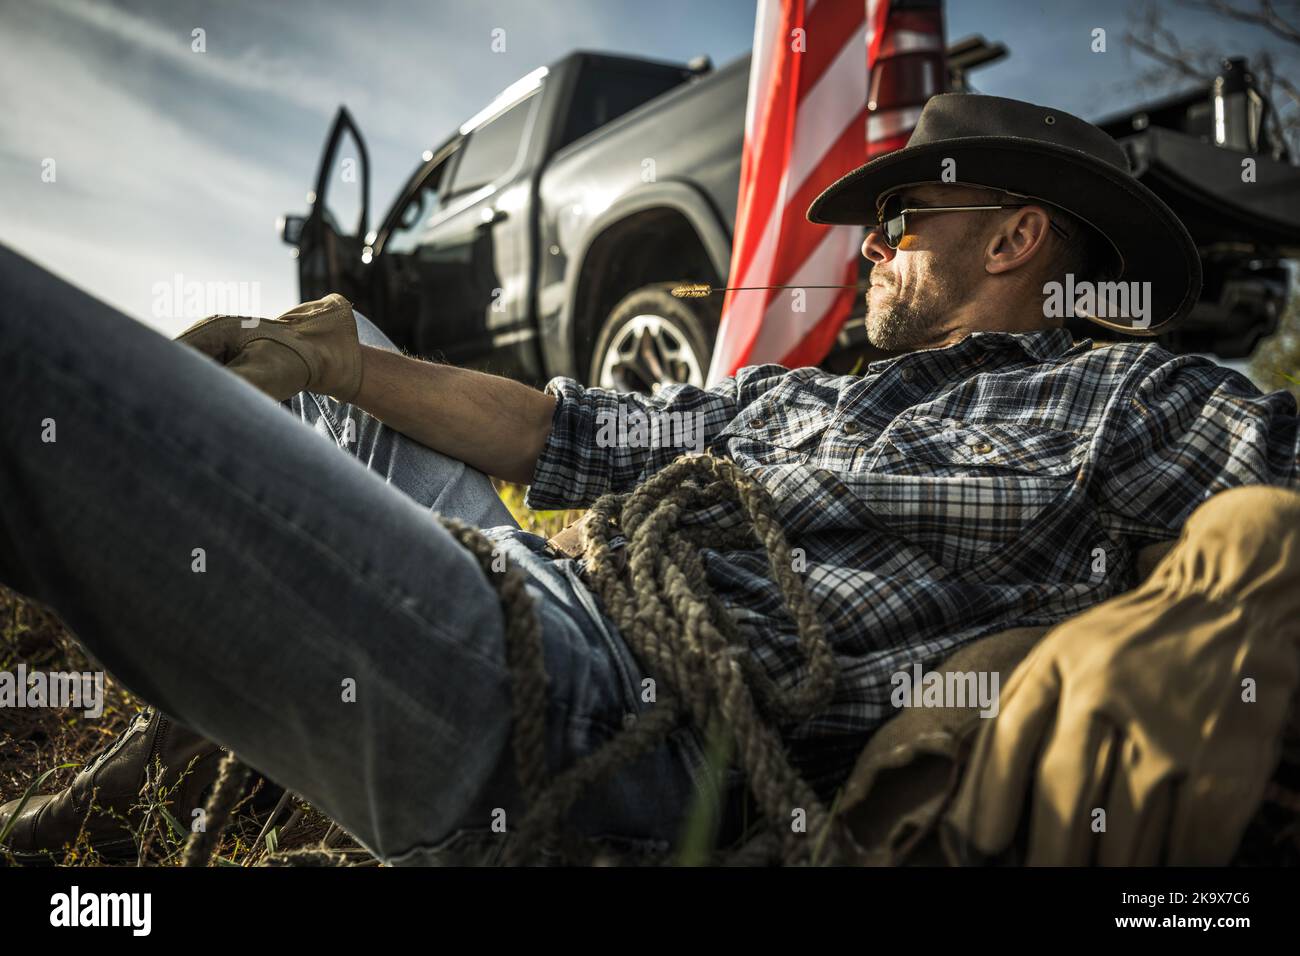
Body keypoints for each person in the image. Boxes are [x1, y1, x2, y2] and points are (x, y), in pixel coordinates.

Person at [2, 93, 1297, 866]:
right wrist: (337, 365)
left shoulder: (1132, 396)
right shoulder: (815, 392)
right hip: (555, 577)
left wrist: (1234, 581)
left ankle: (235, 712)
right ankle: (207, 733)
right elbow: (565, 437)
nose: (872, 254)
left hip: (612, 703)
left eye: (904, 224)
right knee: (371, 375)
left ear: (1017, 238)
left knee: (24, 350)